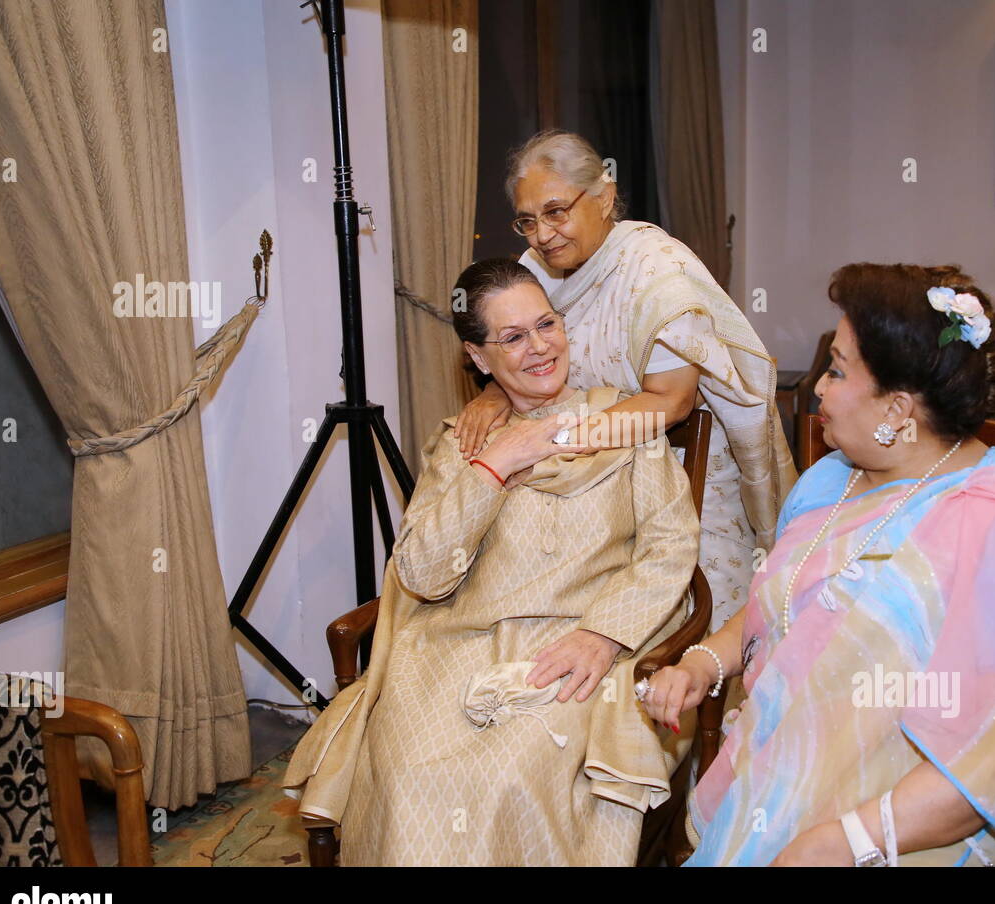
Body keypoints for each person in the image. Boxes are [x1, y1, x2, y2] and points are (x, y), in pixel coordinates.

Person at [641, 263, 995, 866]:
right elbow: (778, 609)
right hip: (779, 785)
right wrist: (702, 662)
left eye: (836, 370)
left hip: (914, 831)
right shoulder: (830, 480)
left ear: (897, 407)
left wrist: (846, 841)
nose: (819, 390)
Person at [282, 258, 700, 865]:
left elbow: (670, 547)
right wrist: (494, 466)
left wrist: (604, 636)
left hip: (572, 649)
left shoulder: (625, 424)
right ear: (479, 359)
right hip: (451, 648)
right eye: (512, 337)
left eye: (546, 325)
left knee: (507, 777)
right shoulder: (465, 444)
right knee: (406, 776)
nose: (539, 347)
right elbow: (422, 574)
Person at [454, 130, 797, 635]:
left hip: (677, 485)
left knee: (661, 635)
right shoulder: (533, 270)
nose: (542, 235)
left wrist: (552, 441)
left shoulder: (658, 270)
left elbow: (671, 402)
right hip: (573, 489)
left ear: (604, 197)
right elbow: (513, 355)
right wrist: (492, 394)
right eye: (528, 220)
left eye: (556, 212)